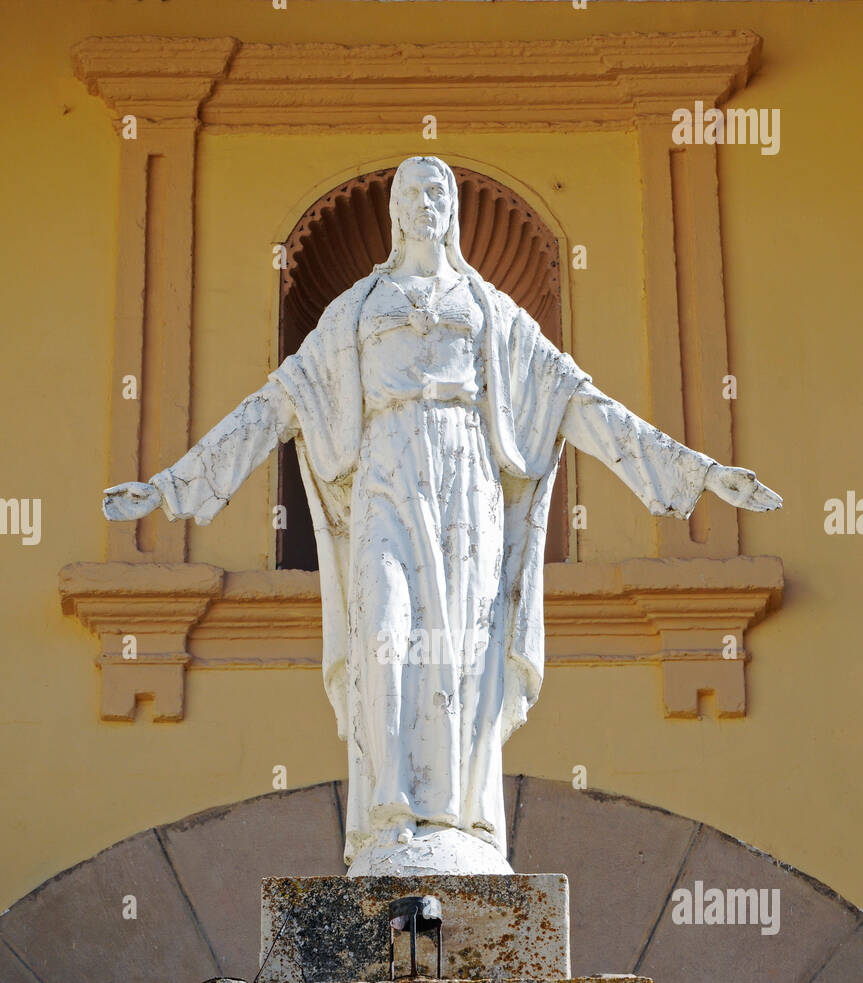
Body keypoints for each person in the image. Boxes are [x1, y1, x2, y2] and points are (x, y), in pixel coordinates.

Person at [103, 156, 781, 875]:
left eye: (438, 192)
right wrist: (172, 487)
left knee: (461, 647)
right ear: (393, 211)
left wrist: (694, 471)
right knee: (385, 635)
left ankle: (455, 818)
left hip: (466, 479)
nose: (426, 203)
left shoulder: (488, 308)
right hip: (385, 473)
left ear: (452, 210)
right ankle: (390, 816)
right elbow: (278, 403)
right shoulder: (358, 307)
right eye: (412, 193)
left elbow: (577, 401)